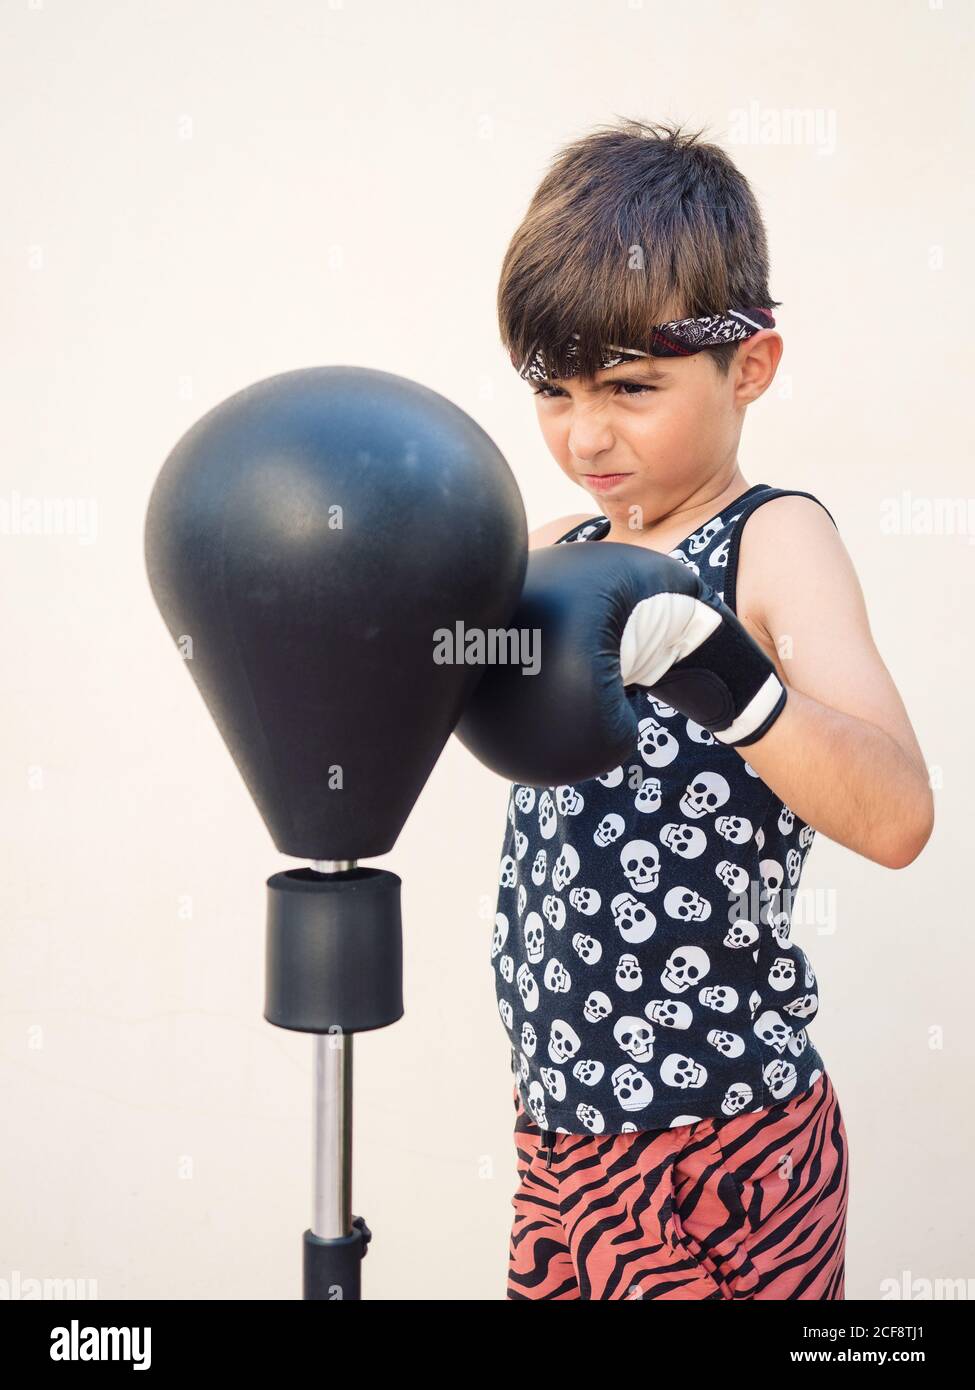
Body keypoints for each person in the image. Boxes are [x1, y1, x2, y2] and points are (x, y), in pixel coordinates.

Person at [484, 118, 934, 1300]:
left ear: (750, 368)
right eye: (556, 390)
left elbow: (896, 815)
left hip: (724, 1143)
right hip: (561, 1141)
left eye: (632, 387)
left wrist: (717, 666)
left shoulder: (773, 541)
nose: (586, 434)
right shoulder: (552, 550)